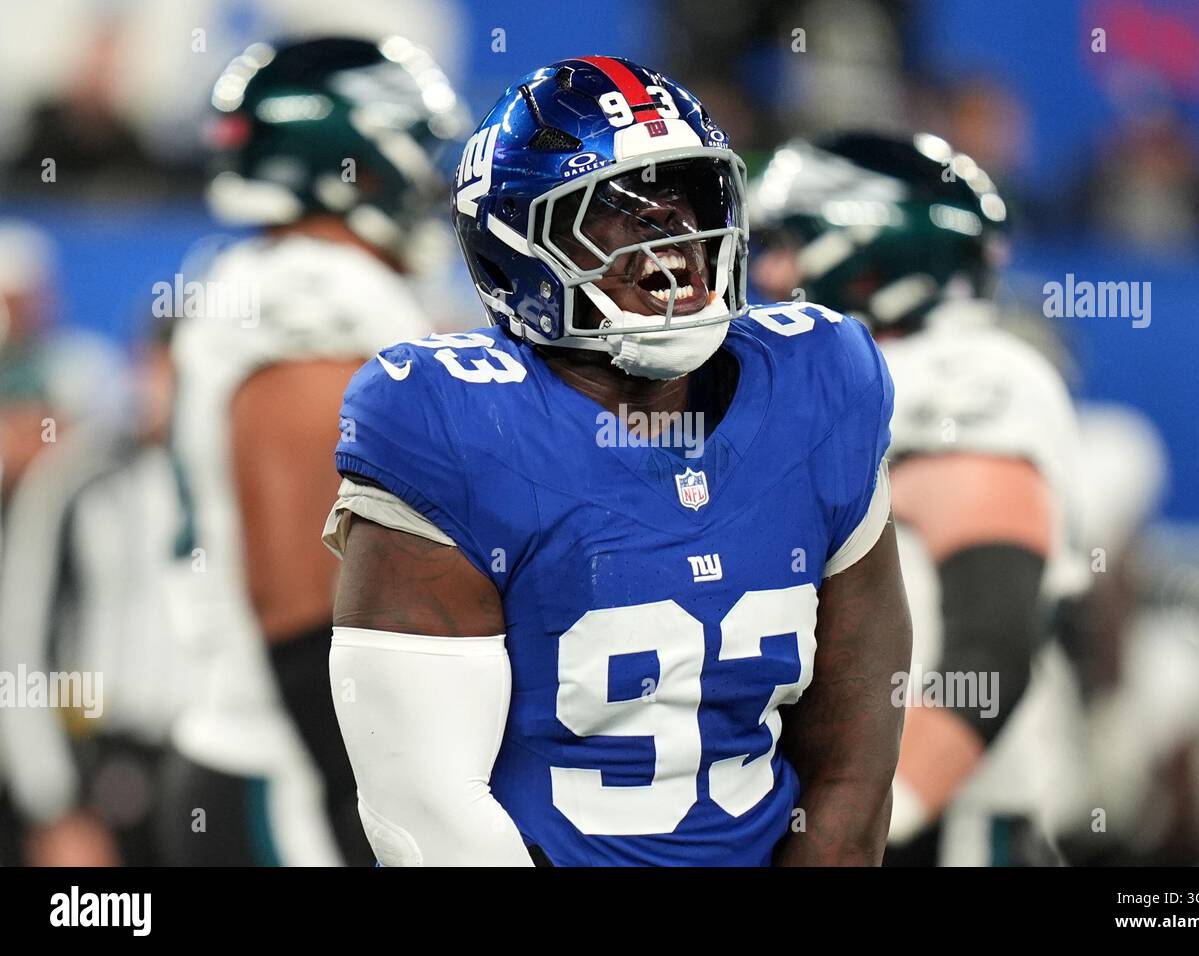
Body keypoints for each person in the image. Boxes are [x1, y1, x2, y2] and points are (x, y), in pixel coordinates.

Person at [324, 55, 913, 867]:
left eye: (687, 196)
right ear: (515, 251)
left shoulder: (821, 382)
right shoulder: (453, 422)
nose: (673, 232)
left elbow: (852, 764)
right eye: (619, 209)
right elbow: (424, 812)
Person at [159, 35, 463, 866]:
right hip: (293, 776)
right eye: (417, 150)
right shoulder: (312, 299)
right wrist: (391, 801)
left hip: (277, 756)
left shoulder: (285, 282)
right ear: (358, 162)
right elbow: (310, 604)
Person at [750, 131, 1086, 865]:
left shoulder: (963, 375)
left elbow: (990, 648)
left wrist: (880, 816)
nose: (767, 272)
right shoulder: (789, 378)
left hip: (941, 825)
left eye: (787, 243)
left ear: (872, 252)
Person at [0, 316, 186, 866]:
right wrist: (53, 803)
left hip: (204, 763)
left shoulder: (231, 479)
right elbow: (21, 637)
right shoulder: (74, 476)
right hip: (105, 766)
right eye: (164, 373)